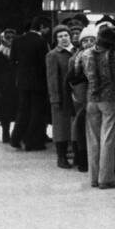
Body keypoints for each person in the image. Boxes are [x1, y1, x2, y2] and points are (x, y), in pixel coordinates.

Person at [78, 24, 115, 189]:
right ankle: (106, 179)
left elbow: (76, 70)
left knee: (93, 140)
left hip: (91, 98)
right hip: (110, 99)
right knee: (108, 139)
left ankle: (94, 178)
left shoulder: (85, 53)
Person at [11, 16, 51, 151]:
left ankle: (15, 138)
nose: (48, 30)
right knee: (36, 112)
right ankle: (32, 142)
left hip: (22, 82)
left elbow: (13, 61)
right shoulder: (41, 42)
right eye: (47, 28)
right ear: (41, 27)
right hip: (38, 83)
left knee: (23, 111)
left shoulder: (17, 40)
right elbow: (45, 64)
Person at [45, 26, 77, 170]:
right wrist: (55, 99)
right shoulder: (53, 55)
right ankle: (61, 157)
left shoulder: (77, 52)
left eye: (66, 35)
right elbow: (52, 79)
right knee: (61, 127)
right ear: (56, 39)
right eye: (60, 36)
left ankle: (76, 154)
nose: (64, 38)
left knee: (74, 126)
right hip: (62, 96)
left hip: (77, 94)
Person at [68, 26, 95, 172]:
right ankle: (81, 158)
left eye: (92, 40)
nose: (89, 43)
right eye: (86, 41)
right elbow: (70, 77)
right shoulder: (75, 58)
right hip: (81, 97)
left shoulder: (99, 56)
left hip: (93, 96)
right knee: (80, 126)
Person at [0, 28, 18, 144]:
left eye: (12, 37)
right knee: (5, 112)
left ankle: (16, 133)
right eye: (8, 37)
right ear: (3, 39)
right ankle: (5, 133)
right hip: (3, 87)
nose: (10, 40)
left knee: (18, 110)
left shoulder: (19, 52)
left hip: (17, 86)